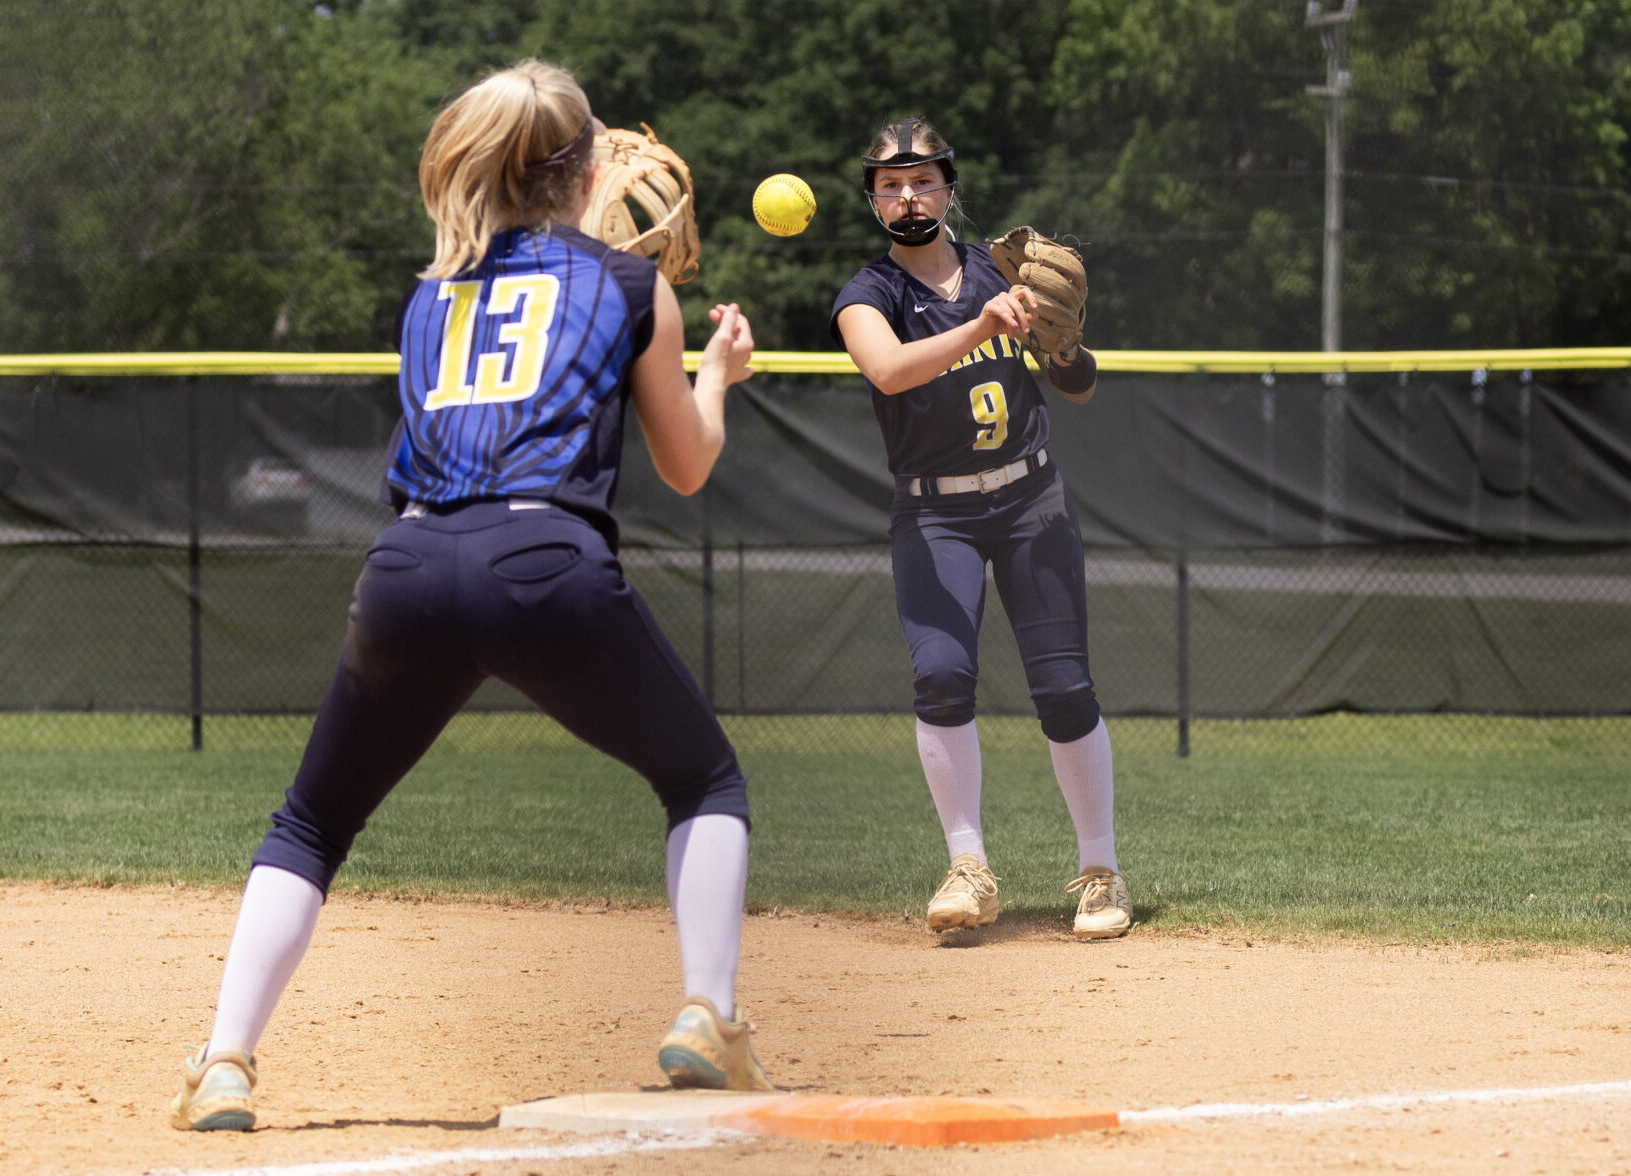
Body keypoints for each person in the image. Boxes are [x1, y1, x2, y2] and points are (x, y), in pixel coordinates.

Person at [170, 59, 773, 1132]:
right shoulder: (636, 287)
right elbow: (684, 465)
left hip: (404, 569)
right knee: (704, 780)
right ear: (588, 170)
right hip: (544, 565)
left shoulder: (430, 285)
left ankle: (223, 1062)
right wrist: (715, 377)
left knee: (310, 823)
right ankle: (707, 1016)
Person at [830, 117, 1132, 942]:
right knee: (941, 676)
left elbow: (1076, 387)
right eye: (890, 185)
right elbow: (888, 368)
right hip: (934, 512)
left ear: (949, 190)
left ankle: (1100, 872)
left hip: (1029, 501)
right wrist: (983, 325)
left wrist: (1059, 342)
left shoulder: (1001, 272)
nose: (907, 195)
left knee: (1063, 686)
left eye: (922, 180)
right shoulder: (870, 293)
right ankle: (968, 868)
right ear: (873, 203)